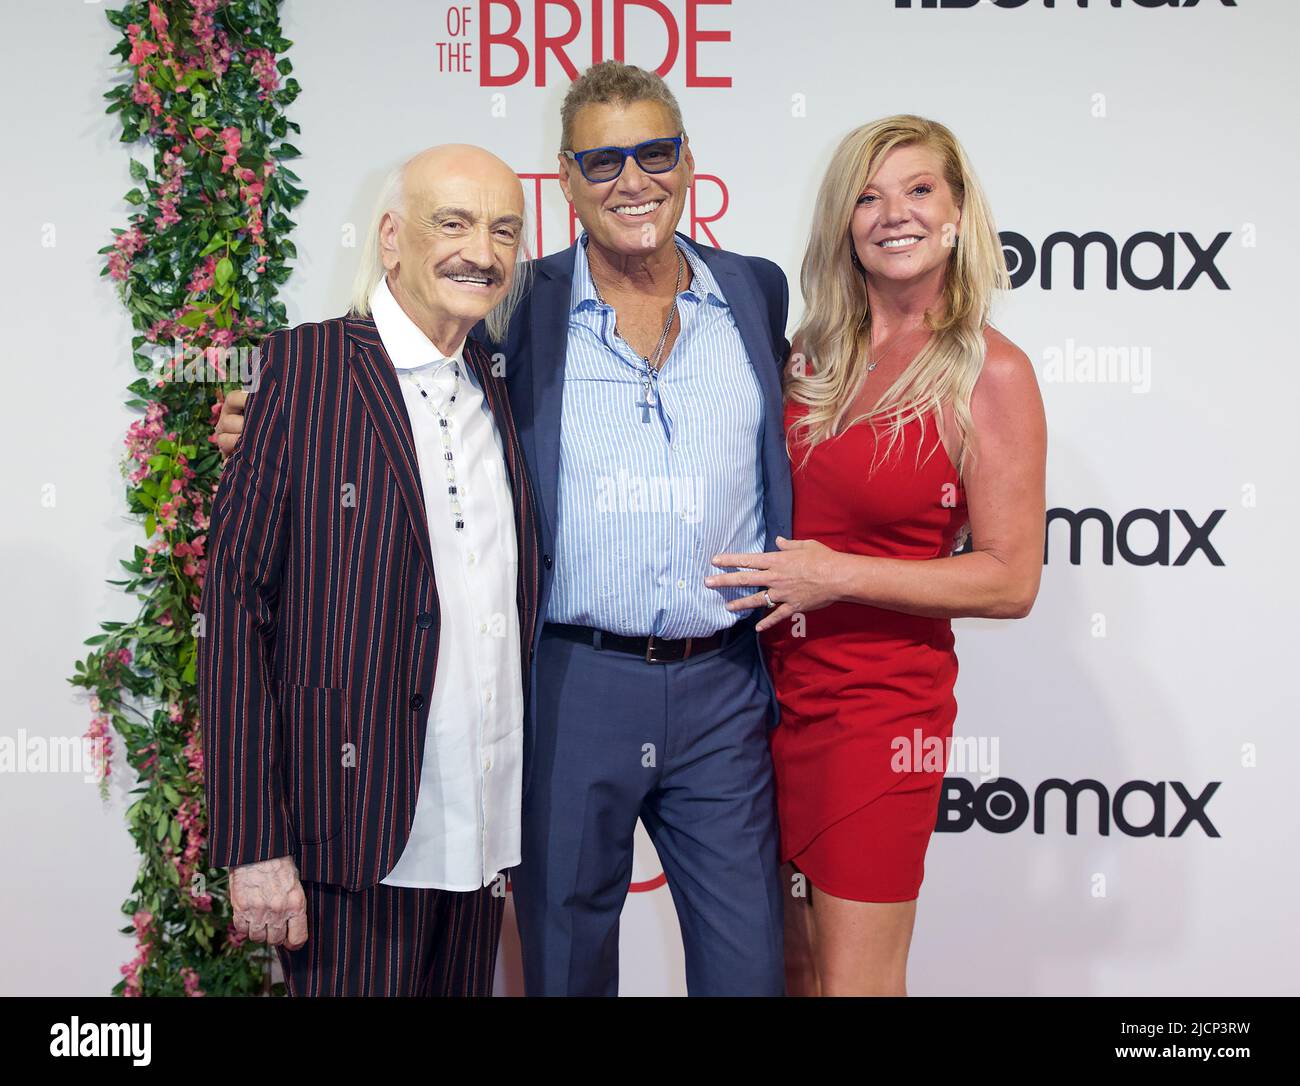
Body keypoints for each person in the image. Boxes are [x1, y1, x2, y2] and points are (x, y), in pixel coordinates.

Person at [216, 62, 793, 997]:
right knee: (562, 971)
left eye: (654, 152)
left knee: (749, 968)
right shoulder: (522, 305)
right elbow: (394, 362)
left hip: (723, 687)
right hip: (573, 685)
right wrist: (276, 407)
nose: (631, 181)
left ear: (688, 160)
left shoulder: (756, 292)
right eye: (602, 162)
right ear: (563, 180)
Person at [706, 115, 1047, 996]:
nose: (893, 213)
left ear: (959, 210)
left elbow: (1011, 578)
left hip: (878, 715)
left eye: (918, 189)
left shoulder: (988, 372)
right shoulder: (813, 354)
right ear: (843, 220)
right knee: (789, 972)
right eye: (867, 195)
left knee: (856, 982)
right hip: (762, 699)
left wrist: (835, 574)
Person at [198, 144, 540, 996]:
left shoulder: (499, 382)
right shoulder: (300, 370)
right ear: (391, 238)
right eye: (453, 223)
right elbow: (234, 610)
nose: (483, 252)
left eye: (504, 230)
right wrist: (252, 842)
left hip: (483, 831)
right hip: (347, 834)